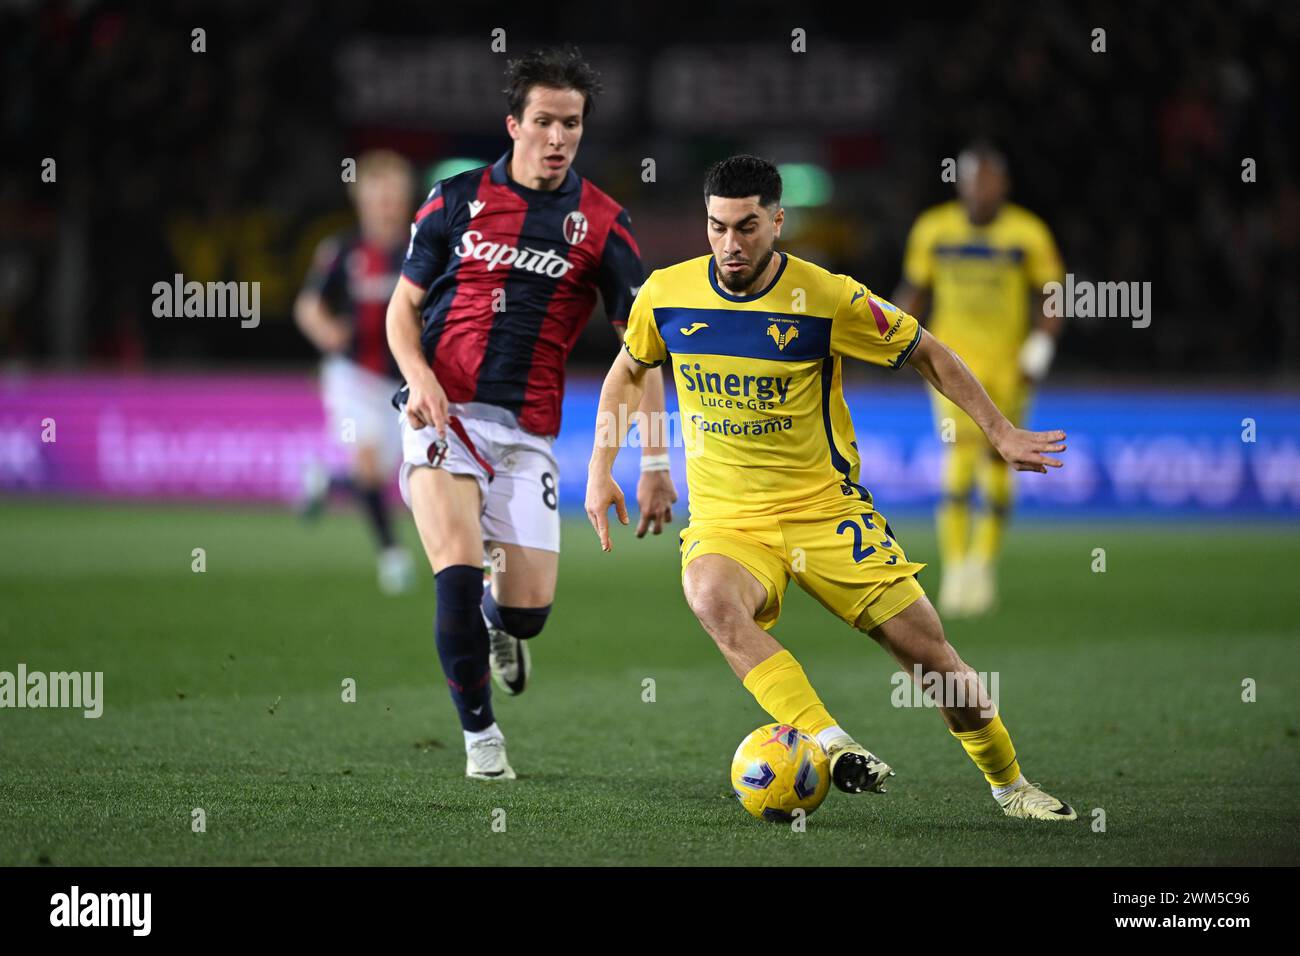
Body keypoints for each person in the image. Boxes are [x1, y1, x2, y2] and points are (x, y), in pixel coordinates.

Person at [586, 155, 1075, 821]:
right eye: (718, 227)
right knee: (710, 596)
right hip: (731, 519)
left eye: (748, 227)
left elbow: (929, 350)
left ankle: (1011, 785)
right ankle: (829, 740)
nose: (731, 244)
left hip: (825, 510)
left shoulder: (828, 298)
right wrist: (612, 471)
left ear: (779, 222)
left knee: (927, 654)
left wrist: (1000, 430)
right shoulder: (666, 295)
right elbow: (626, 372)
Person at [386, 47, 677, 780]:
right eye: (544, 121)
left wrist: (653, 462)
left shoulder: (605, 224)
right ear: (513, 123)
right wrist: (418, 374)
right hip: (443, 419)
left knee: (527, 615)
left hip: (528, 436)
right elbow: (402, 308)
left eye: (571, 124)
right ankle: (481, 738)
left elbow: (641, 353)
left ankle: (499, 623)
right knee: (453, 570)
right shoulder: (452, 200)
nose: (557, 138)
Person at [893, 143, 1065, 616]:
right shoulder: (934, 229)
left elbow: (1052, 293)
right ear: (960, 183)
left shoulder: (1027, 233)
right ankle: (955, 567)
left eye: (989, 180)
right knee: (962, 451)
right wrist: (891, 340)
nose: (981, 189)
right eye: (973, 180)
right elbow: (914, 291)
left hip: (1008, 366)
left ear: (1003, 185)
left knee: (999, 460)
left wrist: (1041, 346)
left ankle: (982, 563)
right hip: (950, 362)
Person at [295, 149, 417, 595]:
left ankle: (326, 482)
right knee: (369, 465)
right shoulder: (342, 249)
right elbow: (308, 305)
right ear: (360, 198)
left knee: (380, 479)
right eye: (377, 193)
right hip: (352, 375)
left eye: (393, 194)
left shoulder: (421, 248)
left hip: (403, 381)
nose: (386, 202)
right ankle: (392, 556)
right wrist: (326, 330)